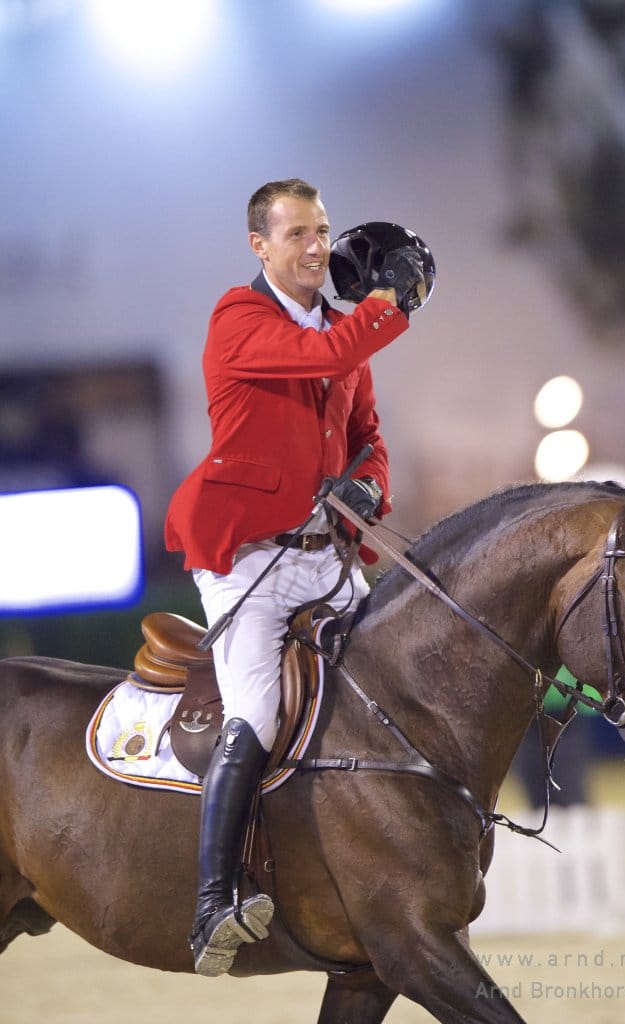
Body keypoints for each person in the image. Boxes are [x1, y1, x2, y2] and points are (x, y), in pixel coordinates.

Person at [164, 178, 428, 977]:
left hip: (327, 556)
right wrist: (394, 302)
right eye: (297, 234)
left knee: (405, 673)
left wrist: (368, 485)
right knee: (255, 709)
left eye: (322, 230)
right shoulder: (236, 318)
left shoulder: (345, 329)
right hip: (247, 556)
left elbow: (369, 435)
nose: (316, 246)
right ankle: (214, 902)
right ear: (260, 246)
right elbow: (329, 356)